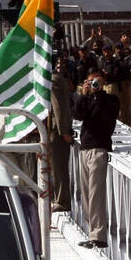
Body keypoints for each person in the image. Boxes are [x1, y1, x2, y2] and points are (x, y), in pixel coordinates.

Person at [73, 73, 119, 249]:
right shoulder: (86, 99)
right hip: (85, 148)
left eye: (96, 82)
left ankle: (98, 235)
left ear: (103, 83)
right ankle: (91, 231)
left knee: (95, 193)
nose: (93, 84)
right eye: (91, 81)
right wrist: (84, 95)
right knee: (85, 193)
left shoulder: (111, 100)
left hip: (99, 148)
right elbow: (78, 114)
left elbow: (104, 116)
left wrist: (98, 94)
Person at [49, 61, 74, 212]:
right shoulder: (51, 79)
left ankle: (62, 200)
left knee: (59, 168)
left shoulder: (54, 80)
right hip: (53, 130)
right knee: (55, 167)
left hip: (56, 132)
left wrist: (63, 131)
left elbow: (59, 107)